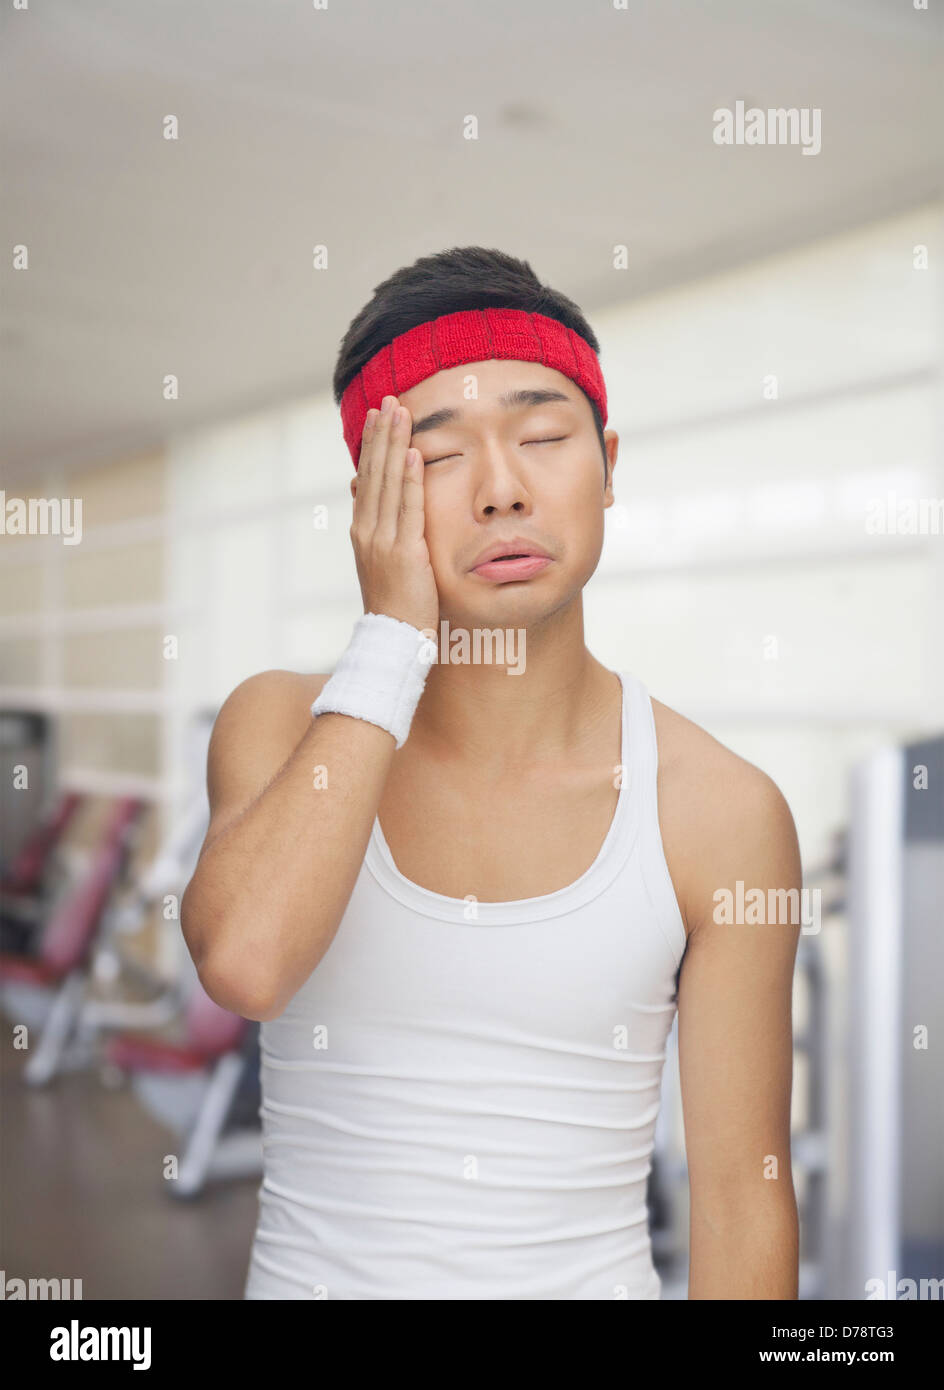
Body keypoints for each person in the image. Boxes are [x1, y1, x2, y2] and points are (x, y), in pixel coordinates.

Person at [180, 246, 802, 1300]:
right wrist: (388, 639)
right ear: (372, 498)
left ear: (606, 463)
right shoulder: (284, 722)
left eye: (543, 437)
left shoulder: (719, 808)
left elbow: (742, 1201)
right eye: (437, 456)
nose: (504, 490)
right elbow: (245, 963)